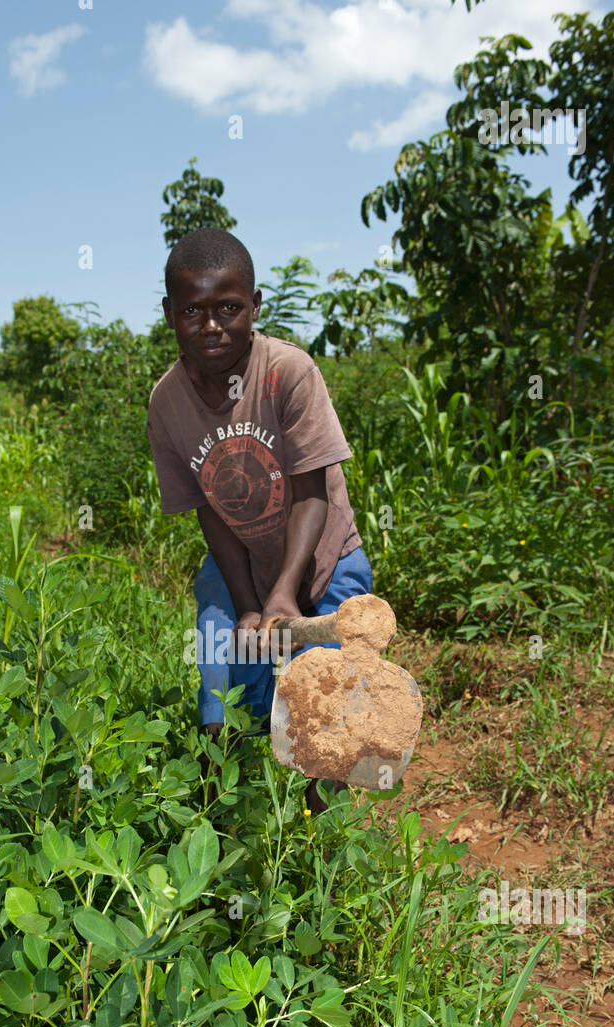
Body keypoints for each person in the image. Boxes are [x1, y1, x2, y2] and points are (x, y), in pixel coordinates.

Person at [146, 227, 373, 814]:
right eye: (193, 310)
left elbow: (311, 492)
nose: (212, 325)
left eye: (228, 307)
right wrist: (250, 602)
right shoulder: (167, 403)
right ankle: (226, 828)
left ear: (255, 306)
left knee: (315, 708)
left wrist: (283, 595)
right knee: (224, 704)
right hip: (237, 559)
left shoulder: (287, 373)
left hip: (322, 558)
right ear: (170, 313)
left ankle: (317, 847)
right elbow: (208, 513)